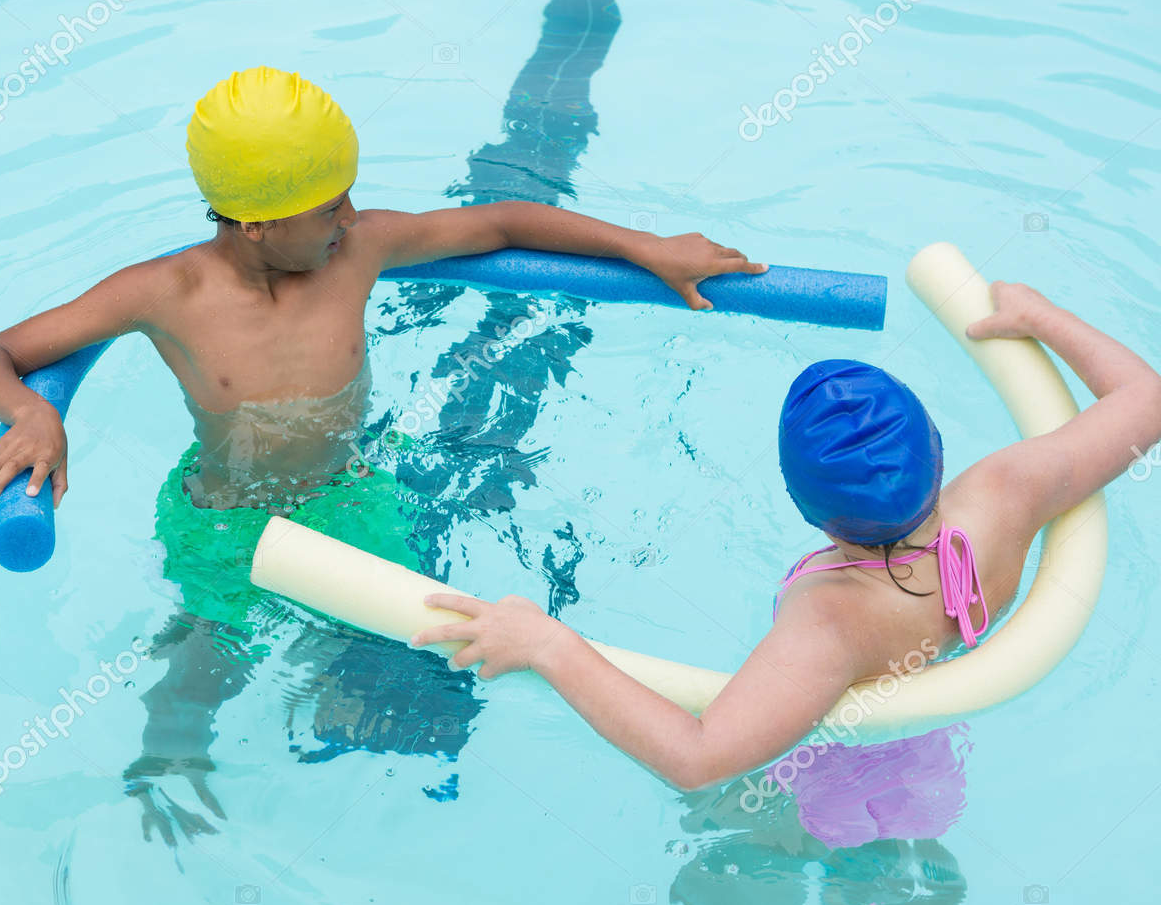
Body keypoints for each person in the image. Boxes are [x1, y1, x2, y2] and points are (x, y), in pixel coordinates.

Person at [0, 65, 765, 841]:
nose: (350, 218)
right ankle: (164, 770)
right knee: (201, 677)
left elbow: (507, 221)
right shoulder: (166, 294)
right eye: (329, 209)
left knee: (421, 661)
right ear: (259, 223)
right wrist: (33, 415)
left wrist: (647, 247)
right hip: (228, 527)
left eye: (348, 199)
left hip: (349, 495)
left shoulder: (359, 249)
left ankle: (352, 726)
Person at [411, 282, 1161, 790]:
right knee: (912, 882)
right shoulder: (1005, 494)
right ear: (937, 446)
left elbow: (697, 759)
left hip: (823, 774)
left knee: (725, 893)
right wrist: (1042, 318)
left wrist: (549, 643)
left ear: (810, 514)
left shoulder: (830, 623)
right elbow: (1146, 401)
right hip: (932, 763)